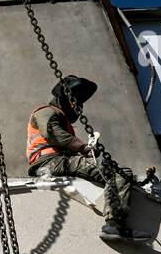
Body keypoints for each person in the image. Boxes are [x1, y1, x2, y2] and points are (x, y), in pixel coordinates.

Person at [26, 75, 149, 243]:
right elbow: (52, 132)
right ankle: (114, 224)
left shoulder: (62, 120)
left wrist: (84, 150)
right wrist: (82, 147)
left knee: (115, 172)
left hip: (56, 162)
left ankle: (115, 223)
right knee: (119, 172)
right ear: (65, 99)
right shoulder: (46, 112)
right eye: (75, 101)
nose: (78, 107)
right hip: (53, 161)